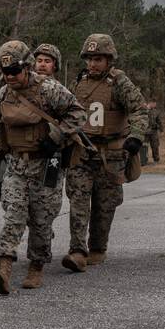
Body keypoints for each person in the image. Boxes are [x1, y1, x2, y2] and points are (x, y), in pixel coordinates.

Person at [0, 41, 86, 293]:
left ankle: (36, 266)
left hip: (48, 165)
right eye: (6, 72)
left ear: (27, 66)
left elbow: (78, 114)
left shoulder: (49, 89)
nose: (11, 77)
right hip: (17, 165)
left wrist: (55, 138)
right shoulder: (3, 94)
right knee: (13, 215)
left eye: (15, 71)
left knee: (42, 220)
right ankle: (4, 267)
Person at [60, 33, 148, 271]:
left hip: (111, 155)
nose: (92, 64)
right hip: (82, 152)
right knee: (78, 200)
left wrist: (136, 137)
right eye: (89, 58)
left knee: (104, 204)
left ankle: (98, 248)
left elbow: (139, 110)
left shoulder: (120, 82)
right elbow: (65, 111)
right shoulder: (79, 81)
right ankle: (77, 251)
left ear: (109, 59)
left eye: (98, 59)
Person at [145, 100, 162, 165]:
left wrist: (161, 129)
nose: (155, 105)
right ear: (150, 103)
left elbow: (159, 121)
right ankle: (143, 160)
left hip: (153, 131)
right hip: (145, 132)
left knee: (155, 145)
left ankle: (156, 159)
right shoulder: (144, 110)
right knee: (144, 147)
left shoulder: (156, 112)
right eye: (154, 104)